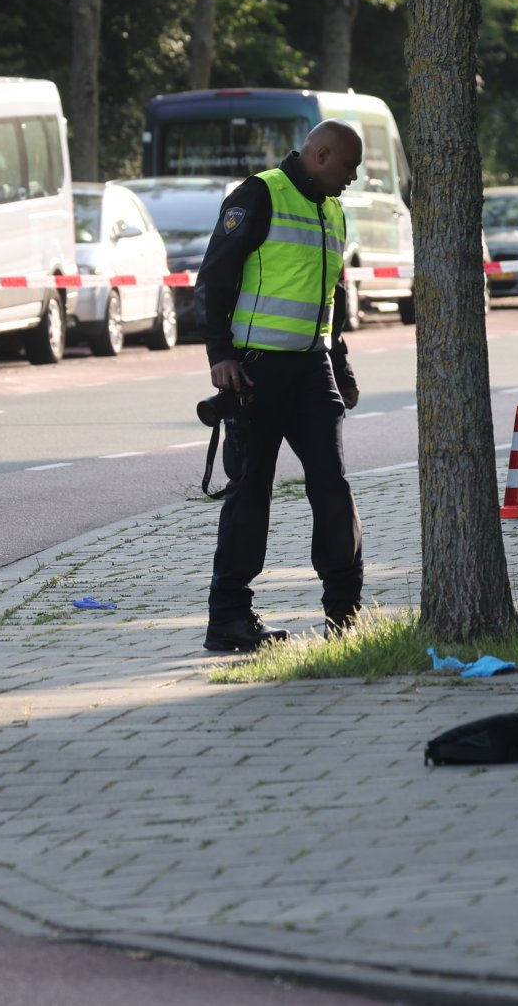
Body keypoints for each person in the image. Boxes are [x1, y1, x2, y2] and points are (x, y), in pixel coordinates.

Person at [197, 120, 364, 651]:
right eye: (349, 166)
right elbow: (214, 277)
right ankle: (229, 619)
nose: (353, 178)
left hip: (313, 370)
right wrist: (220, 356)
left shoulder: (333, 210)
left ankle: (345, 614)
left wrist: (341, 367)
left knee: (332, 488)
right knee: (250, 493)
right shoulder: (259, 194)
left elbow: (330, 299)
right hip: (255, 372)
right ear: (321, 154)